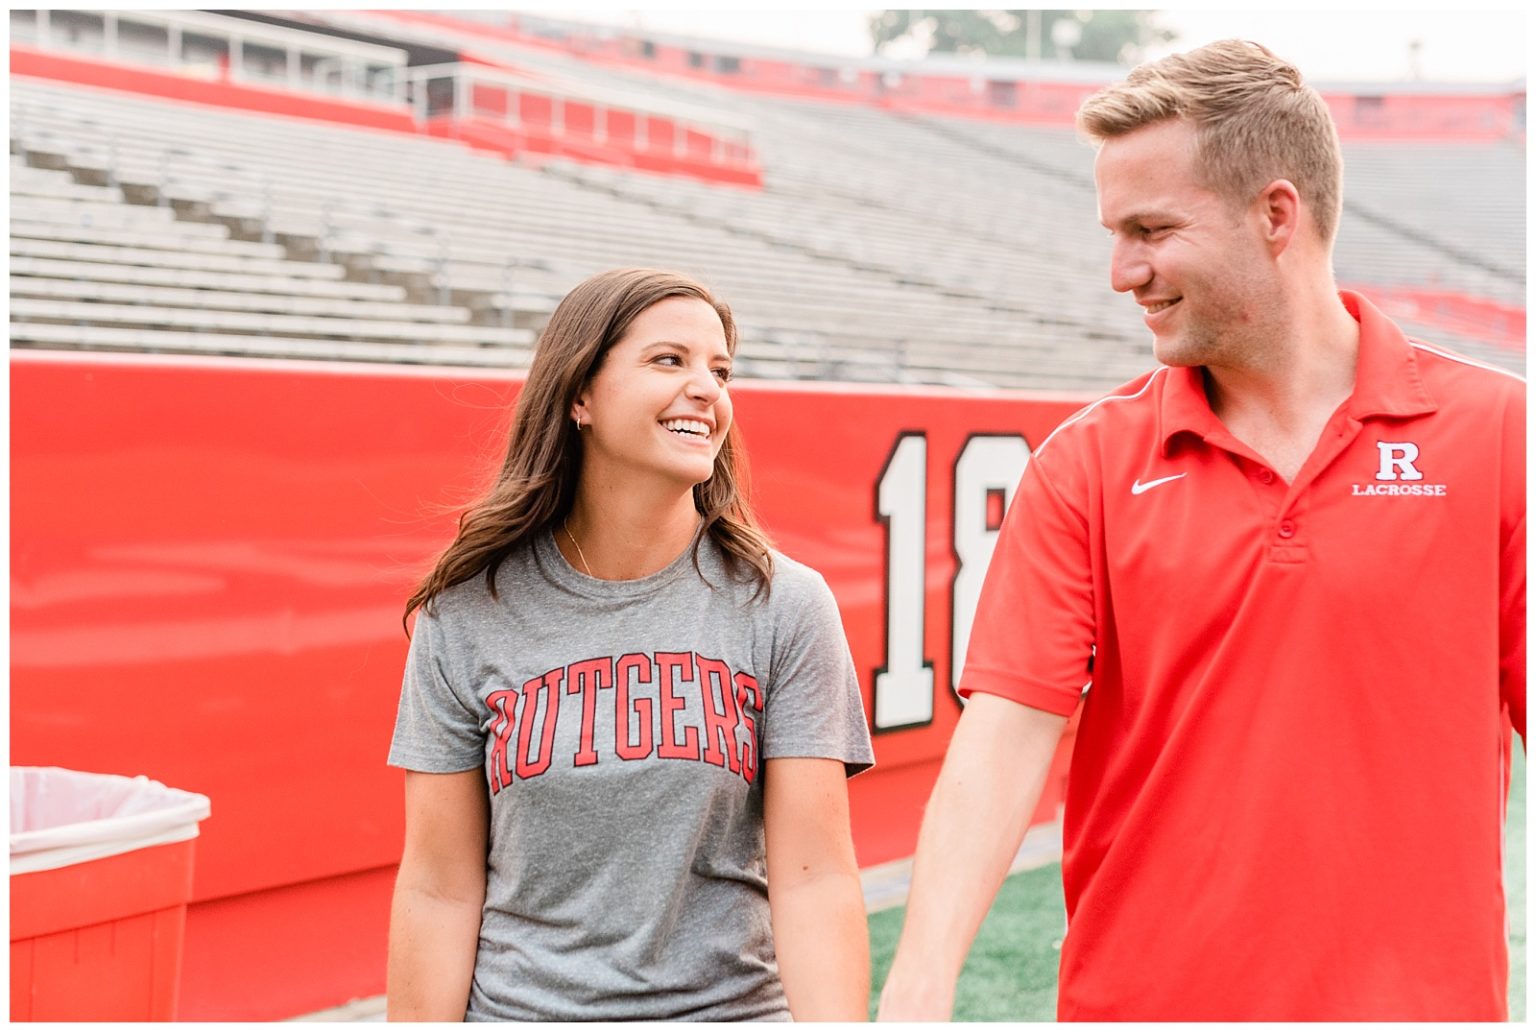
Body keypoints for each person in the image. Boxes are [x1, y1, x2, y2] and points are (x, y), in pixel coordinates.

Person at [878, 39, 1525, 1022]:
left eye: (1150, 229)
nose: (1121, 272)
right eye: (1114, 233)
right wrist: (915, 993)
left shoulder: (1500, 436)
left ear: (1276, 214)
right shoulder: (1085, 464)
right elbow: (1005, 740)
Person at [387, 267, 875, 1021]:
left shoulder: (784, 605)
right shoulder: (467, 613)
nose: (708, 389)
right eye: (669, 361)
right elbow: (438, 888)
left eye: (720, 370)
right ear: (580, 394)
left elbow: (815, 880)